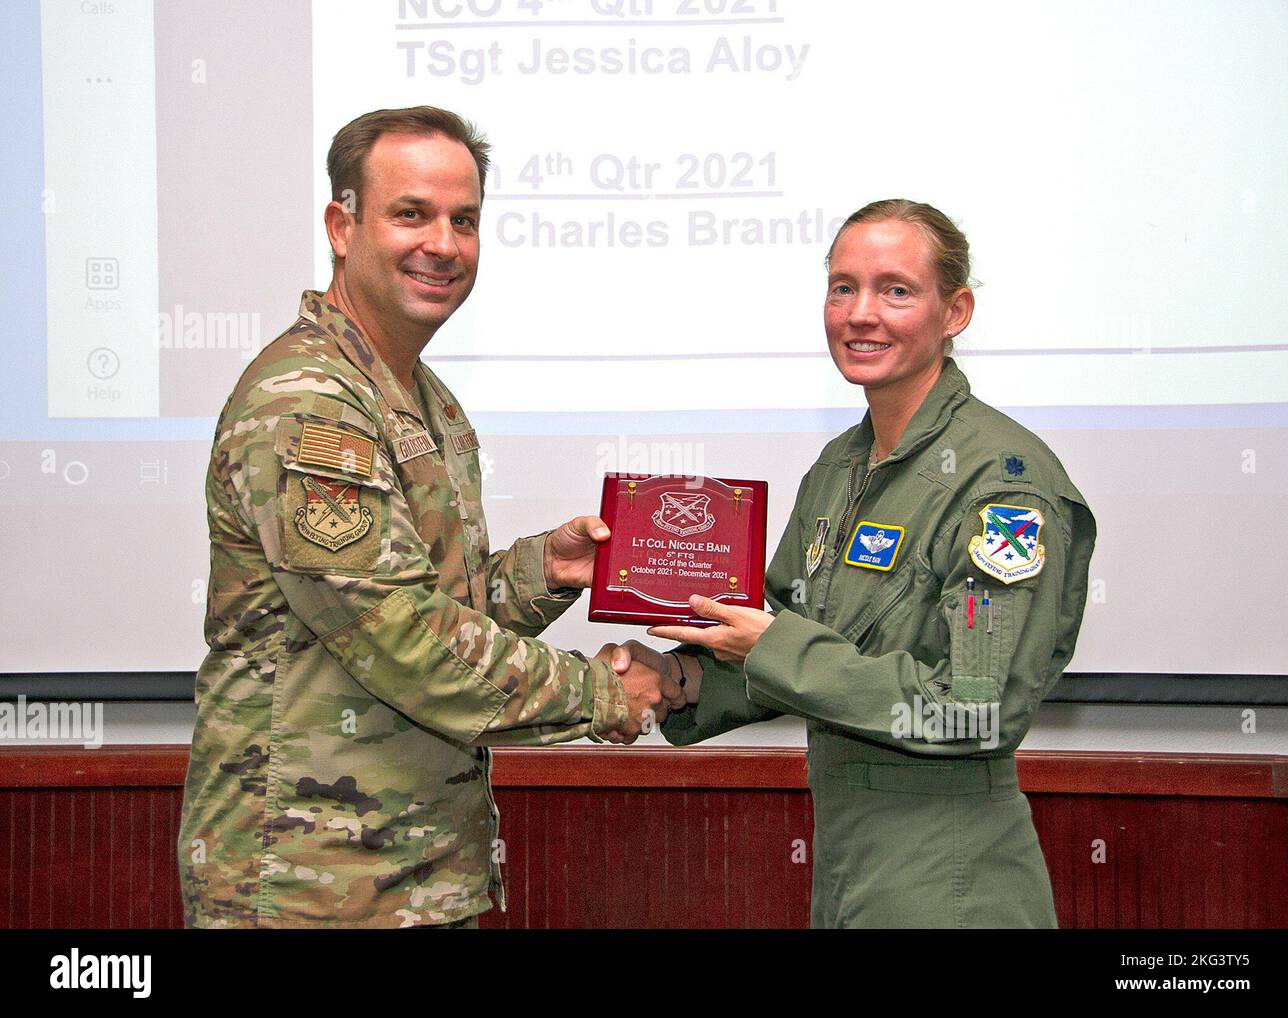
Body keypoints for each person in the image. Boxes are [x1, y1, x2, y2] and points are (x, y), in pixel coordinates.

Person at [177, 106, 670, 928]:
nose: (443, 243)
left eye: (464, 220)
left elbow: (435, 601)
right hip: (310, 886)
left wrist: (542, 571)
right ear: (343, 225)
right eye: (412, 213)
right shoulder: (312, 403)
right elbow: (401, 637)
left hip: (414, 872)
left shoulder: (421, 397)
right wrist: (603, 694)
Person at [627, 200, 1097, 927]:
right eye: (842, 287)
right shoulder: (840, 467)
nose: (860, 313)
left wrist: (775, 645)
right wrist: (678, 680)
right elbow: (790, 636)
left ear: (956, 311)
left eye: (896, 290)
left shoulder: (1004, 486)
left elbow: (975, 709)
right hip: (849, 873)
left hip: (953, 884)